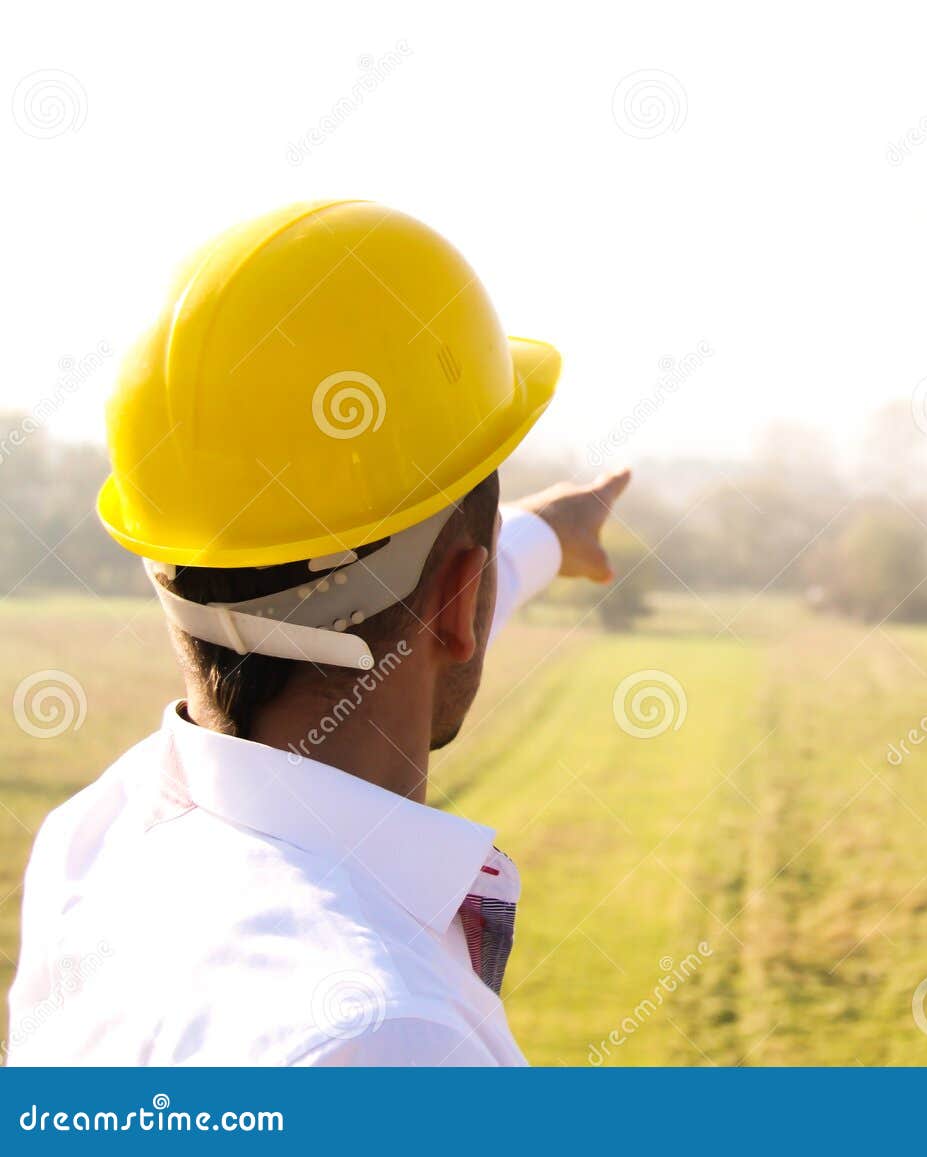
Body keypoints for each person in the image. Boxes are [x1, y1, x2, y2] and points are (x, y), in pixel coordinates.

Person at [5, 201, 626, 1065]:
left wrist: (543, 534)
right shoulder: (386, 1040)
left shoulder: (95, 839)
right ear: (459, 601)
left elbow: (433, 595)